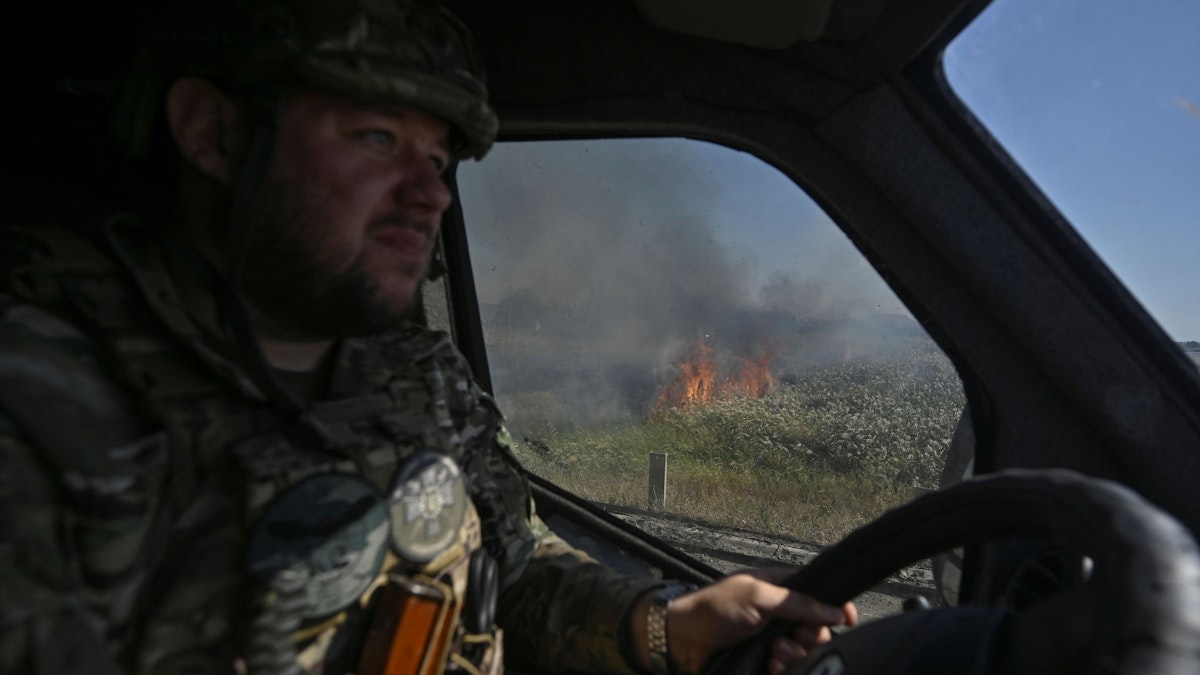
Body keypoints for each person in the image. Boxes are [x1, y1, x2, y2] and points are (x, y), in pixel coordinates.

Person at [0, 0, 856, 673]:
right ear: (214, 133)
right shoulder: (43, 397)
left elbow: (511, 571)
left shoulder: (417, 374)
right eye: (376, 137)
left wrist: (667, 626)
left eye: (438, 160)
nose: (431, 195)